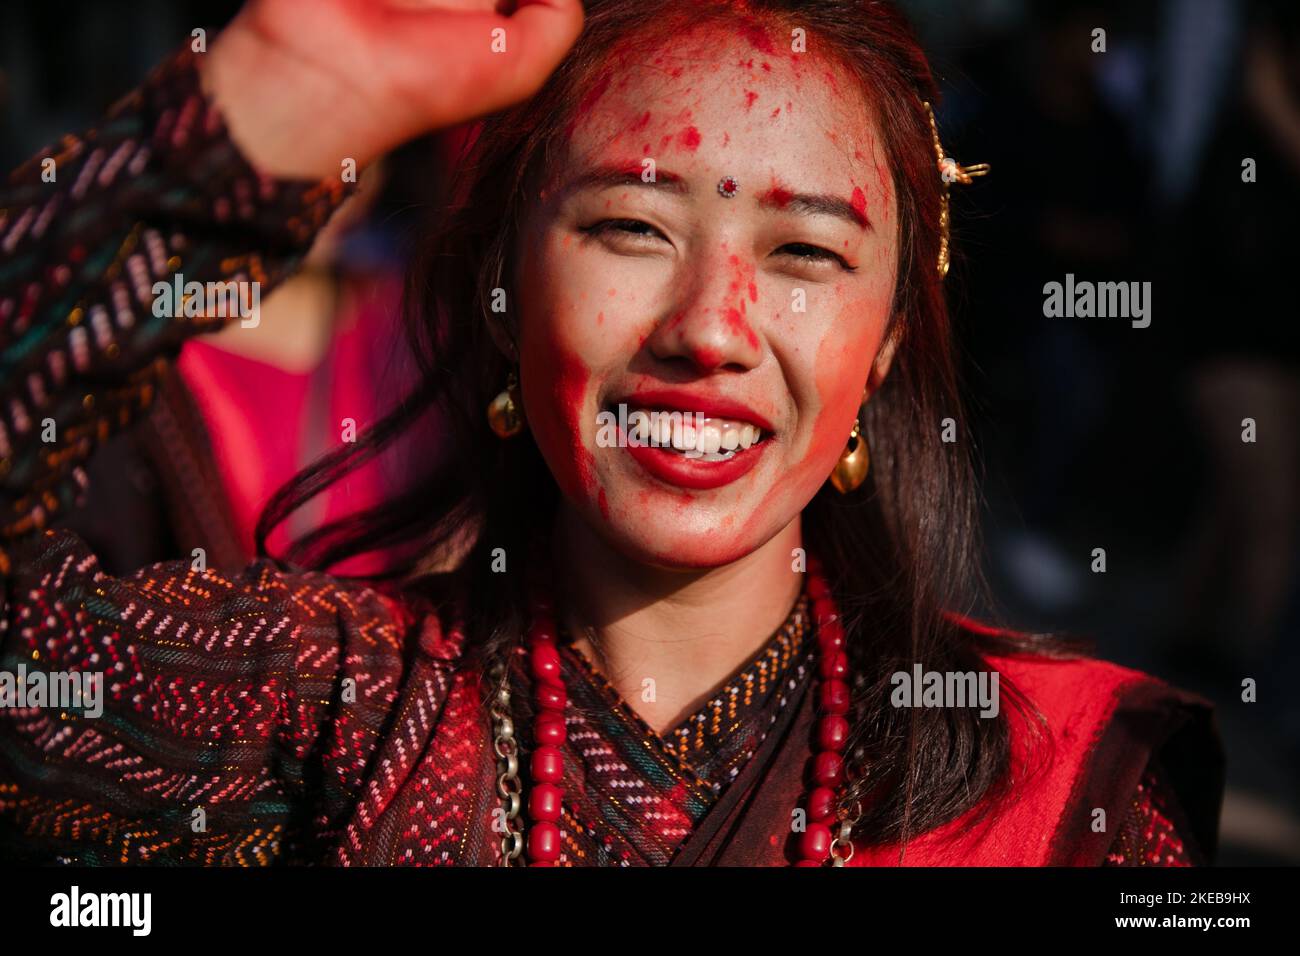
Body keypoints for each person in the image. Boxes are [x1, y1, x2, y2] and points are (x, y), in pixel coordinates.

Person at [0, 0, 1222, 866]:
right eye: (630, 228)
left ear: (888, 345)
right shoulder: (330, 710)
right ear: (506, 289)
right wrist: (250, 120)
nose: (708, 328)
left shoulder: (1074, 788)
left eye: (804, 252)